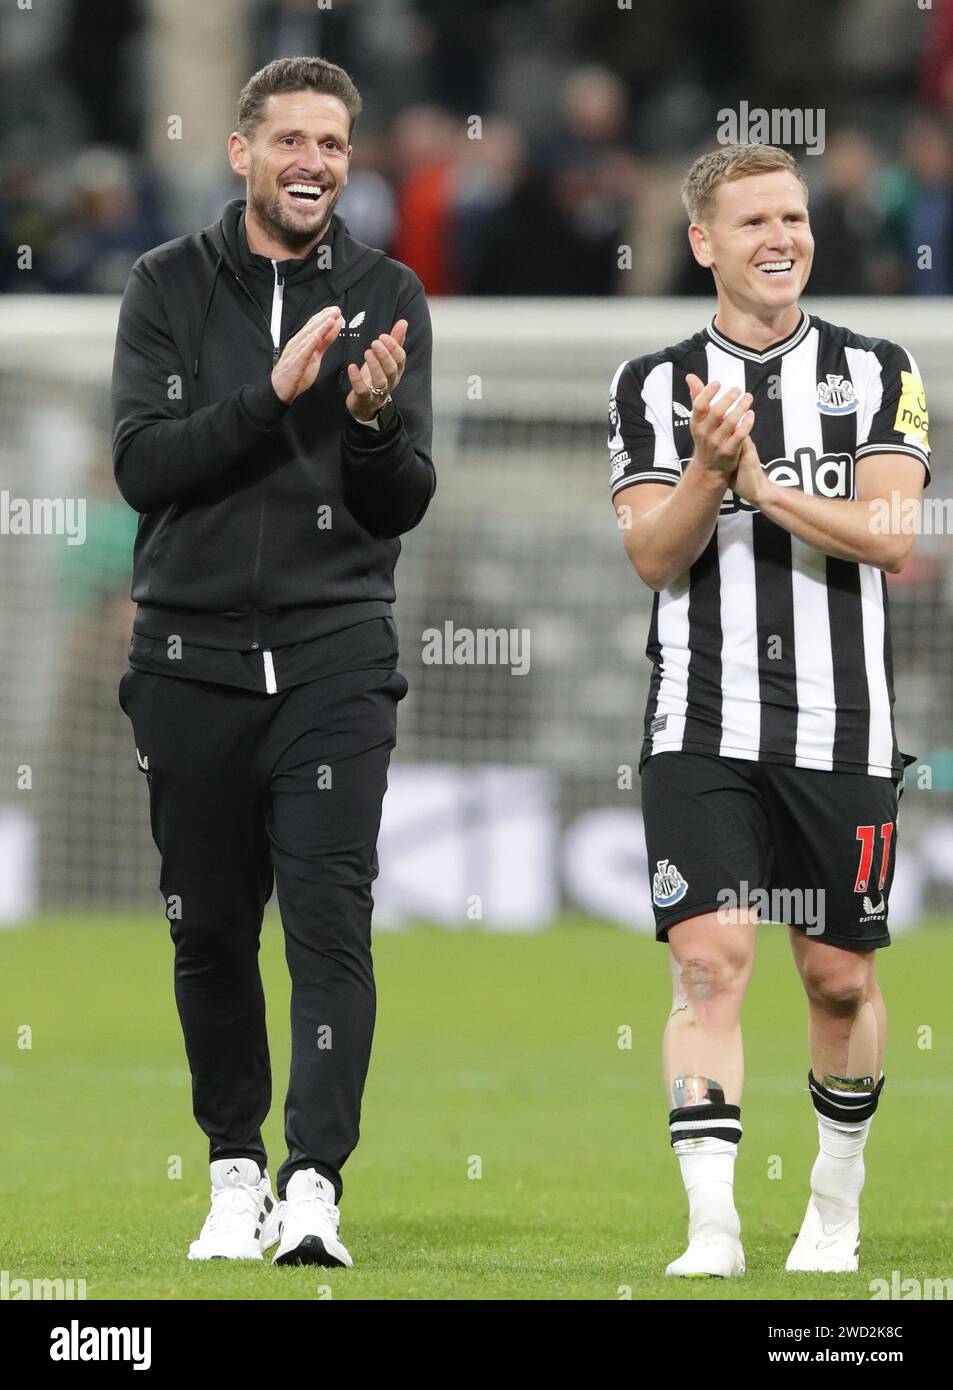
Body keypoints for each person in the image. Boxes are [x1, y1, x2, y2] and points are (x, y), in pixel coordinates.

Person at [111, 55, 435, 1268]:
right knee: (207, 933)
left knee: (327, 927)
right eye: (291, 139)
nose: (314, 162)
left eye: (334, 144)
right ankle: (233, 1169)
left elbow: (402, 500)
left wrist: (370, 424)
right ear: (241, 151)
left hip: (331, 655)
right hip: (187, 657)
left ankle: (312, 1186)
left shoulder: (389, 286)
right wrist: (270, 394)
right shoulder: (164, 284)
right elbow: (143, 465)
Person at [607, 142, 930, 1277]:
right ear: (703, 242)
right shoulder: (650, 383)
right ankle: (712, 1230)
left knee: (837, 977)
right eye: (752, 222)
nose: (781, 237)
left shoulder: (879, 366)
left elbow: (894, 538)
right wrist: (706, 470)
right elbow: (652, 555)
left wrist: (761, 488)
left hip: (842, 730)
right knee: (708, 963)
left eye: (791, 217)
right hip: (697, 721)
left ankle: (831, 1207)